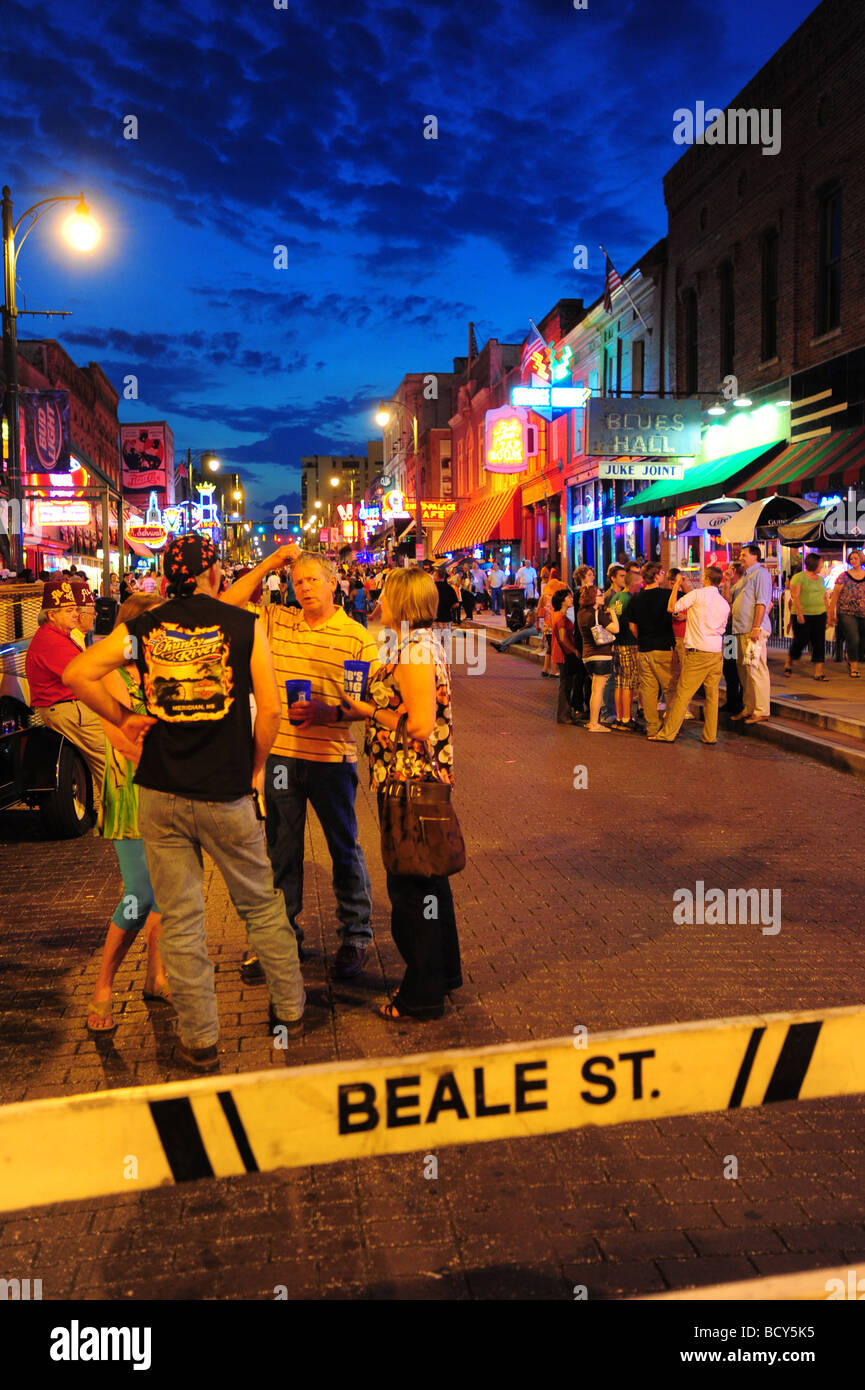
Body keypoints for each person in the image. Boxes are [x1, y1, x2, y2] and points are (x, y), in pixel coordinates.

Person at [63, 533, 310, 1073]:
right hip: (226, 792)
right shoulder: (244, 626)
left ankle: (199, 1040)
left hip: (161, 792)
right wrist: (254, 766)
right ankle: (291, 1010)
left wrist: (124, 718)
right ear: (213, 572)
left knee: (180, 919)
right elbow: (269, 713)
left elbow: (77, 674)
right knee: (260, 904)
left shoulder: (142, 629)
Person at [224, 548, 377, 979]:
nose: (304, 588)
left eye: (313, 580)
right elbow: (227, 603)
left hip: (332, 757)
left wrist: (331, 713)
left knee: (344, 847)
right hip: (282, 758)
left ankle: (355, 935)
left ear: (334, 584)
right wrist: (273, 562)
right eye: (298, 581)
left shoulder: (356, 637)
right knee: (281, 851)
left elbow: (368, 703)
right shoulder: (278, 620)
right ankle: (280, 939)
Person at [340, 568, 461, 1020]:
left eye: (386, 593)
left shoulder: (414, 651)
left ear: (403, 601)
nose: (380, 599)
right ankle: (442, 975)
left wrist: (368, 711)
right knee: (430, 881)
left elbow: (421, 726)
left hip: (408, 780)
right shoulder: (416, 645)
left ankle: (421, 993)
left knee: (411, 887)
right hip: (415, 780)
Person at [85, 593, 171, 1033]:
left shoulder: (159, 670)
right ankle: (102, 985)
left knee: (165, 893)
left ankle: (156, 976)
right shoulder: (111, 673)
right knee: (138, 896)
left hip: (166, 790)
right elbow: (122, 738)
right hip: (132, 793)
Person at [25, 576, 106, 802]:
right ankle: (125, 817)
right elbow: (86, 674)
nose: (76, 614)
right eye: (69, 610)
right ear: (52, 615)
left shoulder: (58, 636)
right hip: (69, 710)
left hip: (72, 707)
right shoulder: (52, 640)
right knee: (113, 759)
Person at [650, 567, 730, 744]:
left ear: (707, 579)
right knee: (712, 696)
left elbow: (672, 607)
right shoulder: (723, 603)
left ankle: (667, 733)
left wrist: (676, 586)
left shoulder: (697, 595)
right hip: (716, 652)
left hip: (698, 652)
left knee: (683, 694)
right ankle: (710, 735)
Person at [627, 562, 674, 738]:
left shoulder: (636, 598)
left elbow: (633, 627)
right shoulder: (667, 595)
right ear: (656, 576)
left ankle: (652, 727)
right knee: (670, 689)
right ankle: (670, 724)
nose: (664, 575)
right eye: (662, 572)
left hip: (644, 648)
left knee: (648, 690)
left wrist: (642, 638)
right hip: (663, 648)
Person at [730, 544, 773, 723]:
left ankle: (762, 709)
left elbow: (762, 602)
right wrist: (727, 581)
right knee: (744, 670)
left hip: (753, 629)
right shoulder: (745, 576)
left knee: (755, 668)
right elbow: (729, 598)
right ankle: (749, 707)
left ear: (755, 556)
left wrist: (756, 627)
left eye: (744, 554)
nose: (741, 557)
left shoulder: (761, 574)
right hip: (740, 629)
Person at [576, 585, 619, 732]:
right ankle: (594, 723)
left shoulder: (581, 613)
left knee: (595, 689)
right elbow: (615, 629)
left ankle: (592, 721)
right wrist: (612, 613)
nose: (603, 597)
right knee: (598, 690)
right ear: (593, 598)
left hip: (587, 656)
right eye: (600, 595)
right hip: (602, 654)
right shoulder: (598, 614)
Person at [785, 553, 829, 679]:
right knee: (801, 640)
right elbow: (795, 596)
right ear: (814, 564)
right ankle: (790, 661)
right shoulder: (799, 578)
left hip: (819, 613)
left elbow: (824, 596)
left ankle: (818, 672)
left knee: (819, 642)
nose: (822, 566)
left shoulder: (820, 579)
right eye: (821, 563)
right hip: (803, 614)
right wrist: (799, 613)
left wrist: (829, 613)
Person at [605, 566, 638, 731]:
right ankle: (626, 718)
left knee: (618, 682)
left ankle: (619, 717)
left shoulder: (614, 598)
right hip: (629, 644)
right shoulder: (631, 599)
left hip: (616, 643)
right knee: (628, 683)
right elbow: (633, 625)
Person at [828, 548, 865, 679]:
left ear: (861, 559)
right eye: (851, 559)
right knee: (853, 637)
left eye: (856, 558)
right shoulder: (843, 576)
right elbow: (835, 595)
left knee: (860, 640)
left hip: (863, 612)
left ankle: (850, 655)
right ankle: (854, 666)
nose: (853, 561)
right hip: (846, 611)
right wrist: (831, 612)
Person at [550, 588, 580, 723]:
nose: (571, 599)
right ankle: (564, 715)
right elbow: (563, 638)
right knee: (566, 685)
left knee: (566, 684)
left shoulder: (556, 615)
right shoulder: (561, 617)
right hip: (564, 653)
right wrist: (574, 650)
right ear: (562, 601)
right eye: (568, 598)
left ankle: (565, 714)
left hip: (560, 652)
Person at [720, 562, 745, 714]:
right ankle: (732, 701)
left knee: (745, 667)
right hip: (731, 632)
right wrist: (727, 582)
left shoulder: (745, 586)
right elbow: (725, 603)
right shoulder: (731, 586)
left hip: (743, 631)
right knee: (729, 667)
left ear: (734, 571)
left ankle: (742, 701)